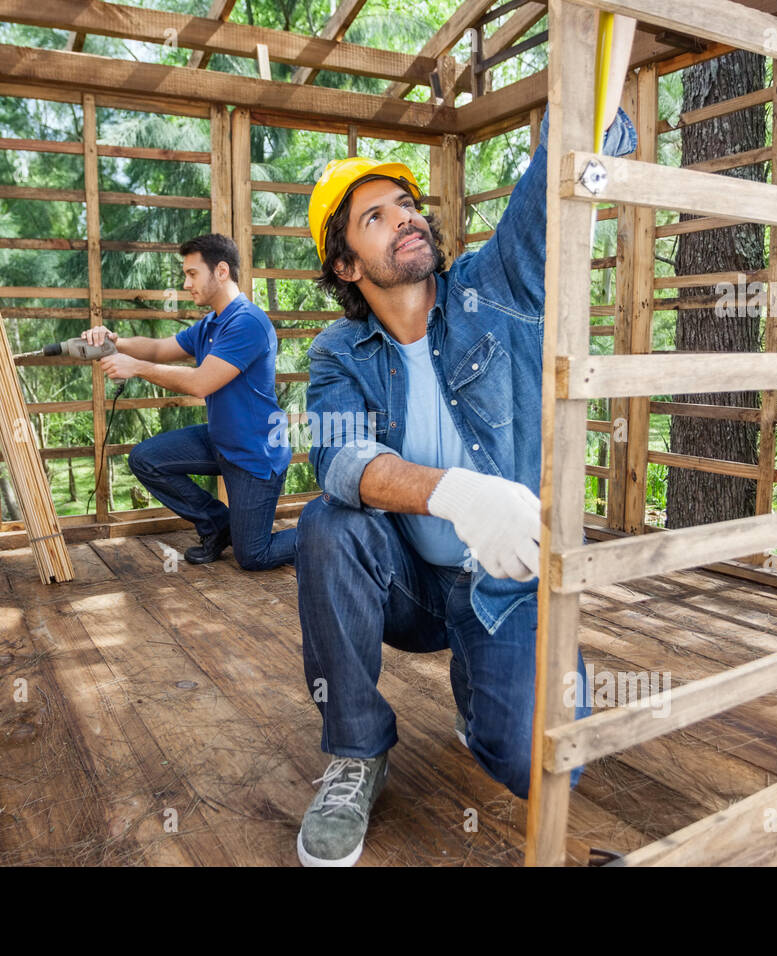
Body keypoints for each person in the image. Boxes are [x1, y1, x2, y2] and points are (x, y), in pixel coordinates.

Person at [292, 48, 639, 864]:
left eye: (407, 203)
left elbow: (561, 166)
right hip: (407, 582)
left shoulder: (501, 286)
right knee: (326, 524)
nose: (405, 216)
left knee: (542, 757)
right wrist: (458, 495)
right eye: (374, 216)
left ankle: (481, 690)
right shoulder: (340, 351)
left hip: (508, 582)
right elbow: (339, 462)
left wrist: (597, 58)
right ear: (344, 265)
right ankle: (354, 751)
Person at [84, 233, 295, 570]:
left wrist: (136, 368)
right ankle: (218, 525)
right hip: (222, 440)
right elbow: (157, 348)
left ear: (221, 271)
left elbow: (201, 383)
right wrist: (115, 341)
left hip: (256, 452)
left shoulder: (248, 323)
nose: (185, 283)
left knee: (254, 556)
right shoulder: (210, 324)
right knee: (146, 459)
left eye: (192, 274)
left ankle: (327, 530)